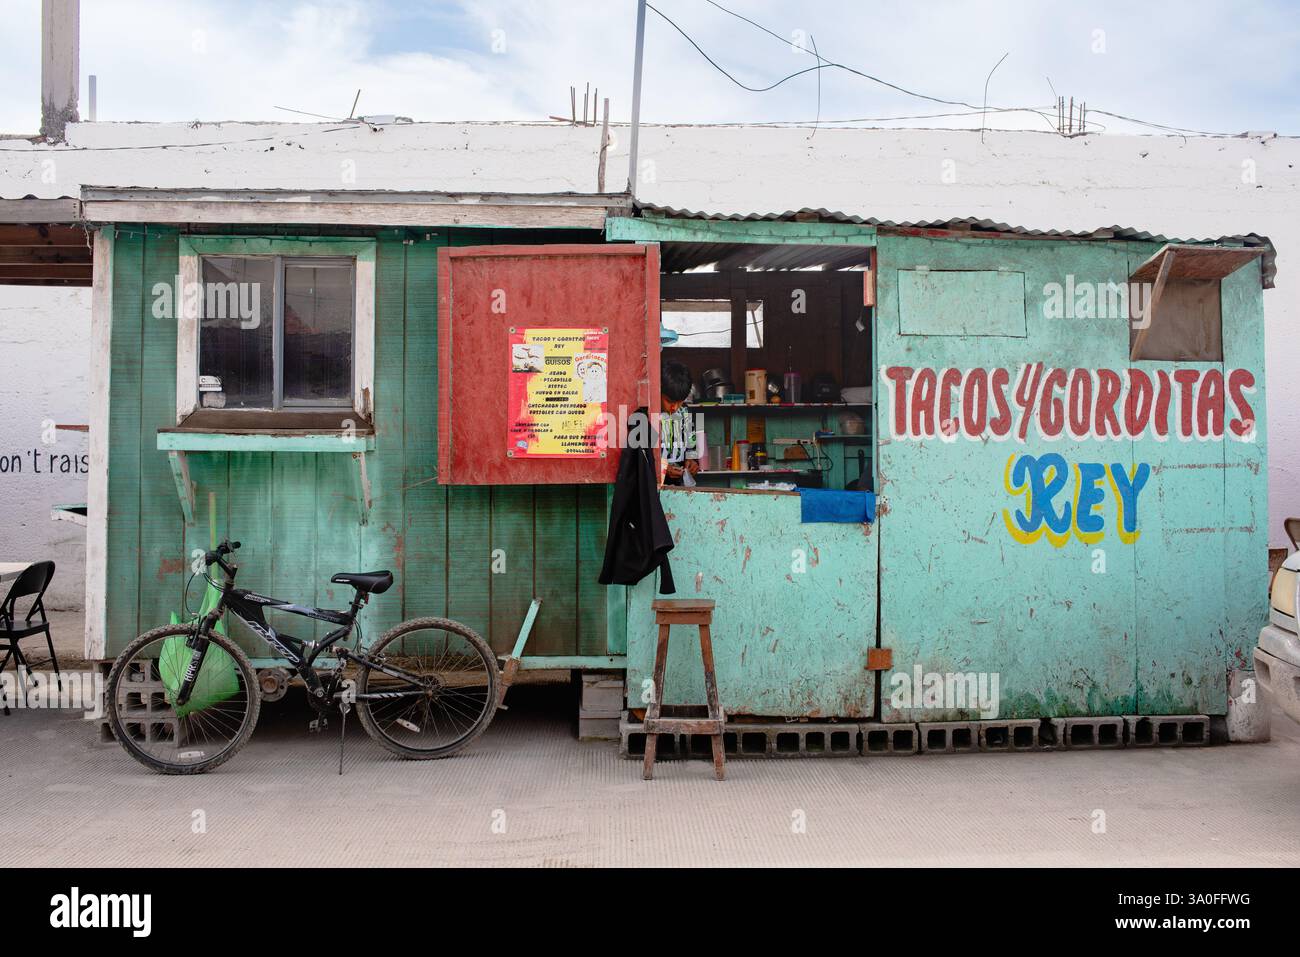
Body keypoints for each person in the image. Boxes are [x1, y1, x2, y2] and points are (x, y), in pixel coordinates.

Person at [659, 360, 700, 486]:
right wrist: (663, 469)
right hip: (654, 487)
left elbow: (691, 444)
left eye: (680, 402)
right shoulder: (647, 415)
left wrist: (692, 460)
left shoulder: (685, 412)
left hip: (678, 485)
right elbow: (641, 458)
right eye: (669, 401)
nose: (675, 407)